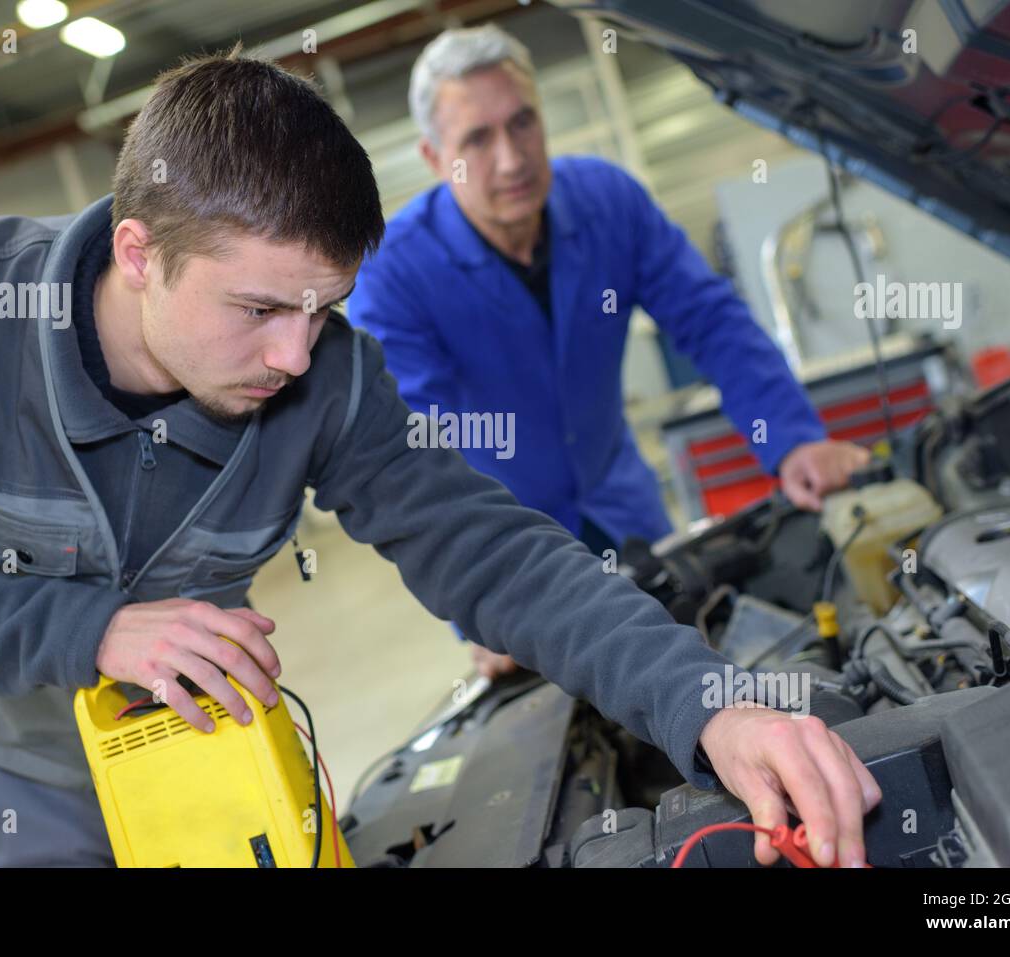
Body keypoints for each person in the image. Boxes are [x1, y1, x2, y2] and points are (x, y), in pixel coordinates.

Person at [0, 45, 878, 869]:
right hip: (22, 786)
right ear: (140, 254)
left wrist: (708, 704)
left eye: (321, 310)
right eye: (261, 307)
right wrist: (94, 630)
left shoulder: (330, 370)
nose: (294, 356)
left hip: (227, 764)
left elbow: (491, 551)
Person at [347, 25, 871, 678]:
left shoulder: (607, 201)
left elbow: (710, 320)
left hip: (626, 512)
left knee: (692, 669)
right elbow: (407, 460)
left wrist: (794, 439)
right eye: (476, 140)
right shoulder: (394, 274)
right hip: (508, 556)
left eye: (523, 123)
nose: (510, 159)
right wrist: (478, 601)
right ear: (433, 156)